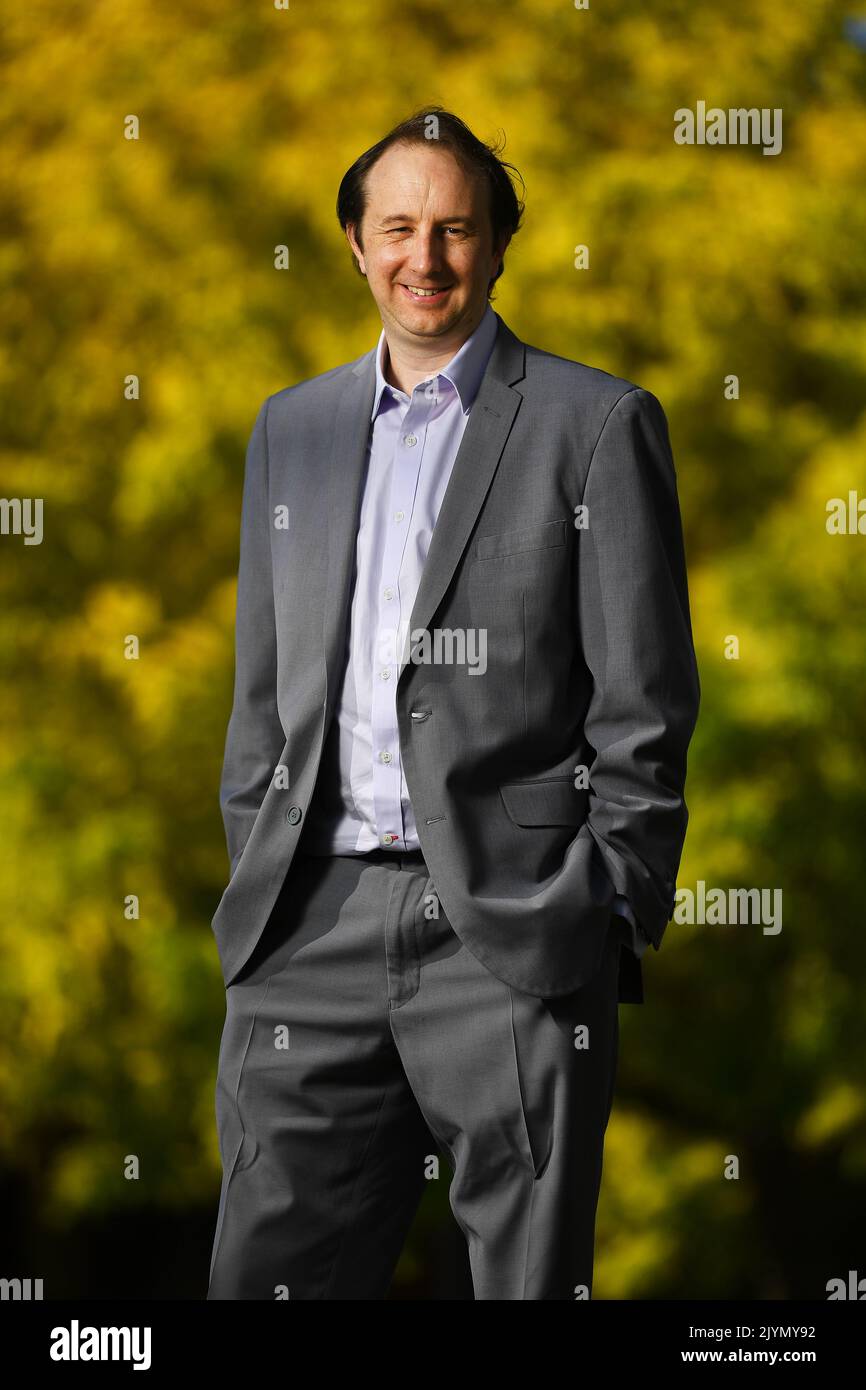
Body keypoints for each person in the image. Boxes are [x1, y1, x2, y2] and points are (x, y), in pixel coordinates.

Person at [206, 106, 700, 1300]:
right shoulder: (293, 428)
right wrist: (259, 879)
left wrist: (605, 902)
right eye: (397, 229)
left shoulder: (596, 424)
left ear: (496, 244)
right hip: (307, 929)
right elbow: (264, 697)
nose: (423, 259)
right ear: (352, 242)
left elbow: (644, 702)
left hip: (514, 935)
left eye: (454, 230)